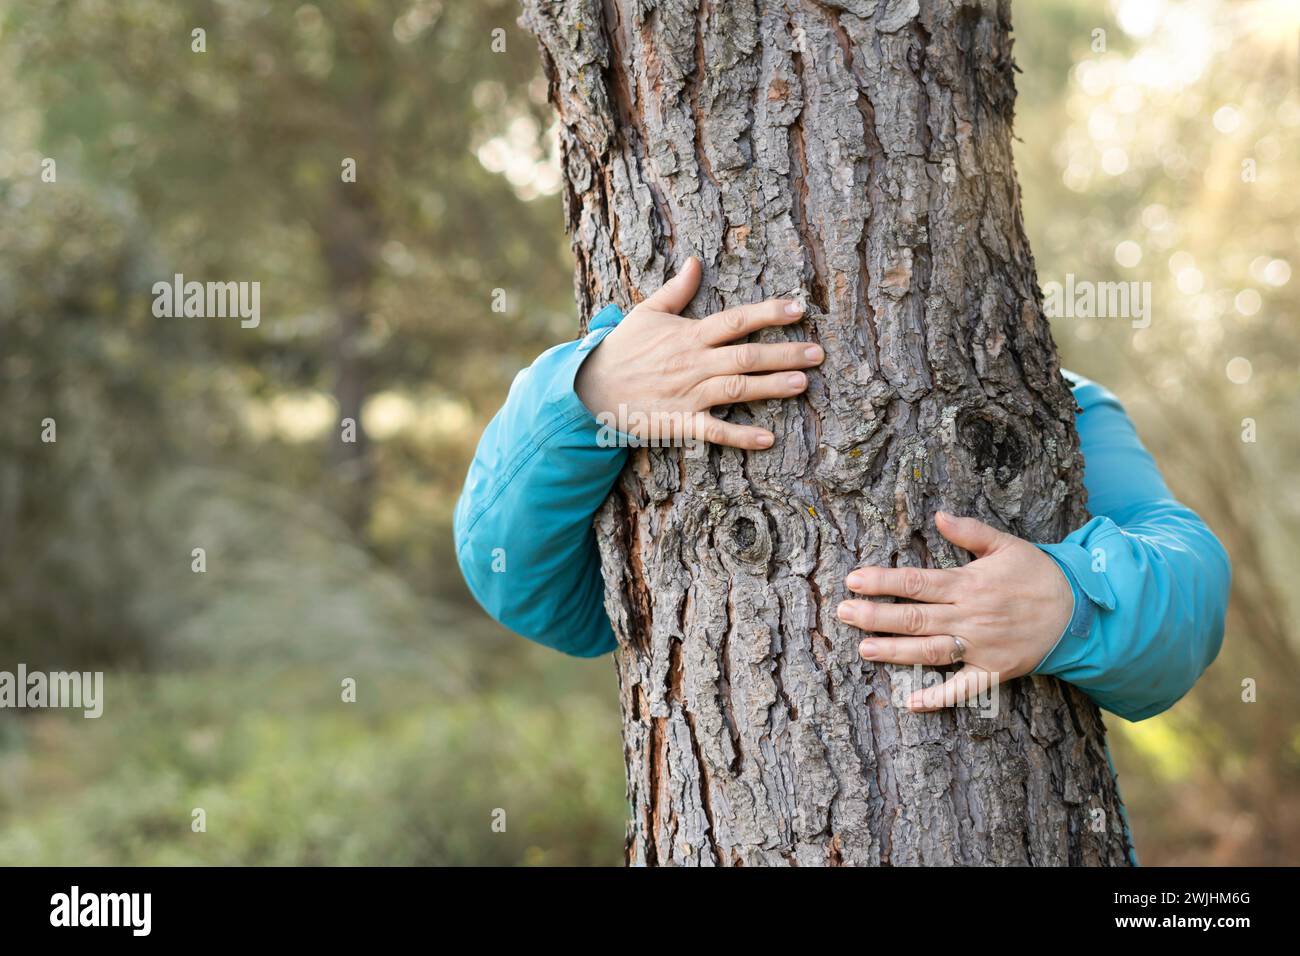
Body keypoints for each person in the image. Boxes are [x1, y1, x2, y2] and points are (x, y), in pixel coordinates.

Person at [454, 257, 1230, 723]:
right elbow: (525, 586)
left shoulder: (1058, 407)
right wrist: (584, 395)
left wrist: (1075, 603)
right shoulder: (645, 392)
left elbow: (1189, 589)